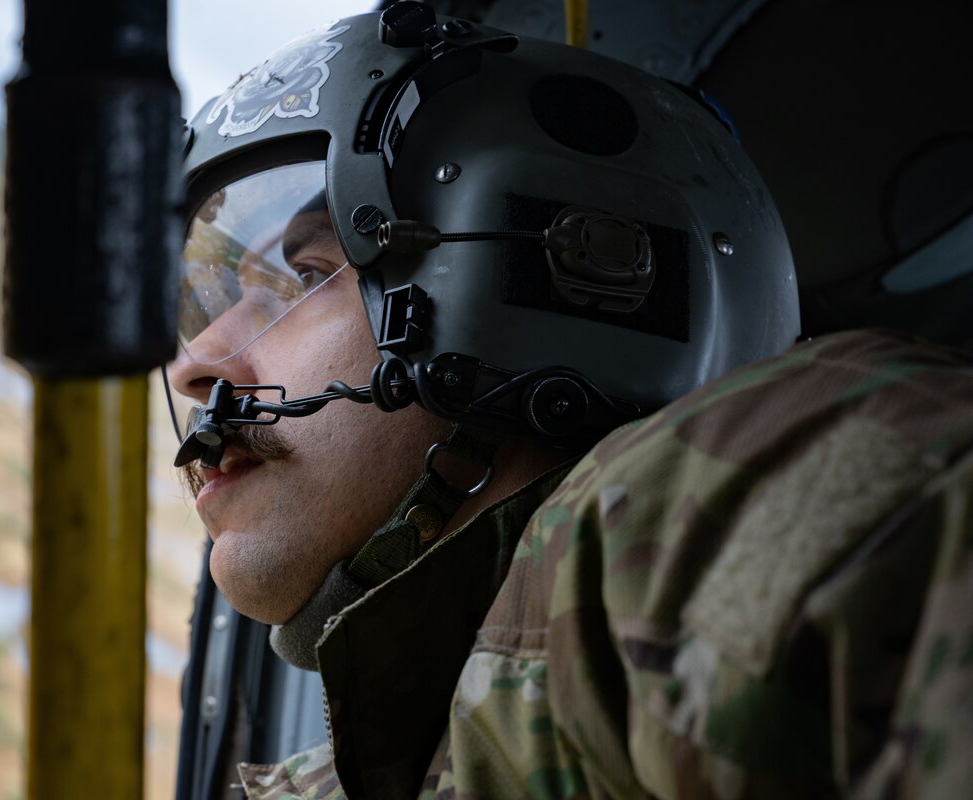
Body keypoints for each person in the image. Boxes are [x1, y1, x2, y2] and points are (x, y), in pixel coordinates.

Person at [165, 4, 973, 798]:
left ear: (527, 288)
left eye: (303, 278)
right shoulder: (382, 752)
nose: (192, 366)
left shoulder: (693, 523)